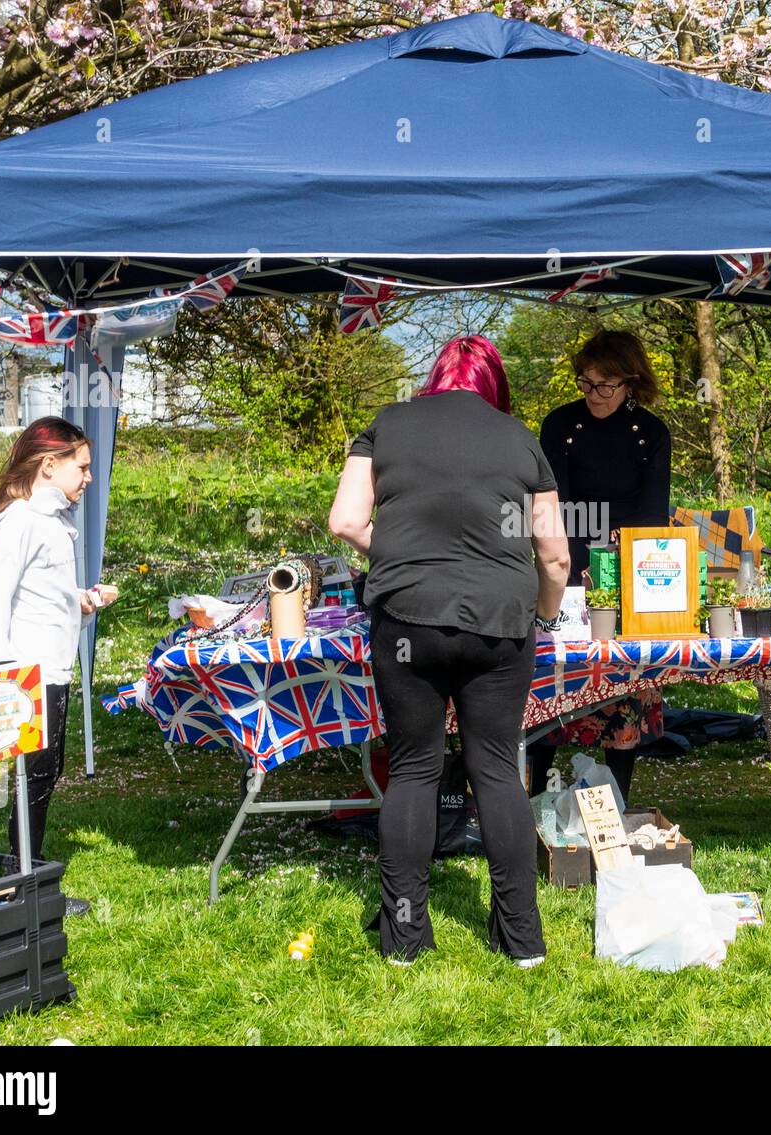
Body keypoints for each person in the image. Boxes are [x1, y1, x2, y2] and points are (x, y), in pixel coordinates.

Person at [329, 335, 570, 967]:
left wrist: (401, 556)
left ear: (435, 376)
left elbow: (347, 521)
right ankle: (521, 938)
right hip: (499, 622)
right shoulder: (521, 439)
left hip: (407, 620)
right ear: (492, 383)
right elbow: (555, 554)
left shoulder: (386, 424)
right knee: (495, 767)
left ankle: (404, 936)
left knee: (413, 768)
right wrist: (544, 612)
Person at [0, 416, 118, 916]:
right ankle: (21, 885)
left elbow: (43, 598)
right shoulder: (22, 523)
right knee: (33, 777)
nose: (88, 478)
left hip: (52, 672)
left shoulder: (52, 523)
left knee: (46, 773)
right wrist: (0, 684)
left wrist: (82, 601)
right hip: (25, 680)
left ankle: (23, 878)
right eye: (82, 467)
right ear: (50, 466)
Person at [531, 330, 673, 806]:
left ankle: (616, 798)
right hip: (565, 566)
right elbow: (554, 505)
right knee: (551, 676)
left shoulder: (651, 433)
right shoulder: (560, 425)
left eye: (605, 385)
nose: (593, 394)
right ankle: (535, 790)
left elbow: (653, 514)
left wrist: (615, 561)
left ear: (631, 382)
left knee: (623, 684)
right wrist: (571, 565)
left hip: (628, 569)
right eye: (585, 383)